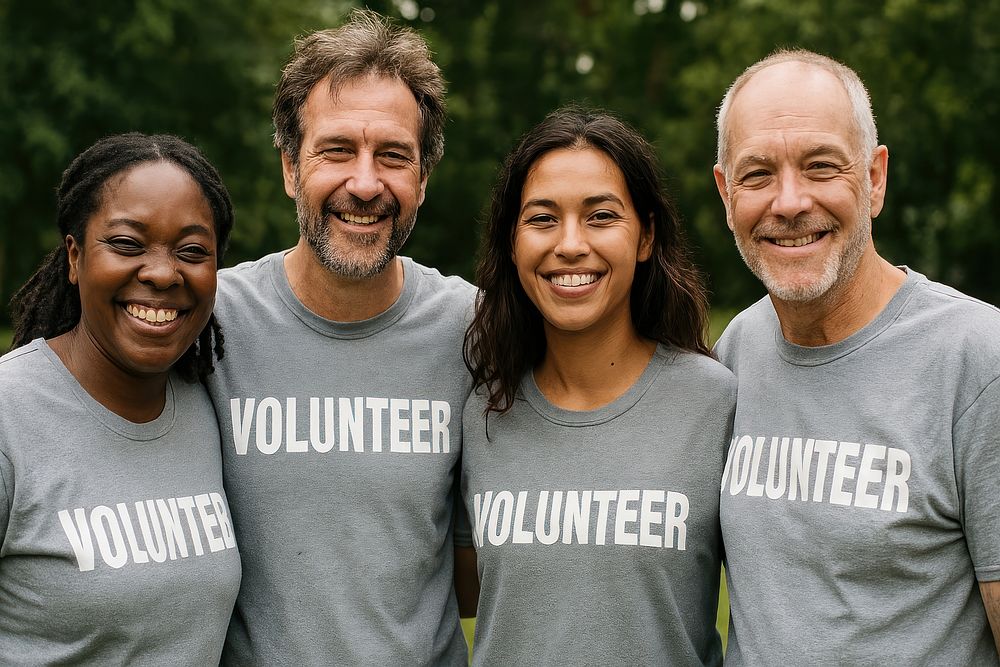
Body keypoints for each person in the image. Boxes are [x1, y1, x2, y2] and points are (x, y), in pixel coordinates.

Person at [712, 49, 1000, 664]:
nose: (788, 203)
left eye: (821, 167)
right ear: (725, 192)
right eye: (758, 174)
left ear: (874, 179)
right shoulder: (735, 352)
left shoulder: (979, 361)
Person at [204, 9, 474, 665]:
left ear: (423, 179)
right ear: (291, 167)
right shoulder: (209, 321)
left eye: (392, 156)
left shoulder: (476, 329)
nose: (364, 183)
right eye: (336, 150)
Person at [461, 106, 736, 665]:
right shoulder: (479, 410)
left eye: (601, 216)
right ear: (511, 243)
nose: (569, 244)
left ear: (645, 236)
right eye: (541, 219)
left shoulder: (717, 402)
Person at [0, 133, 240, 663]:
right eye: (128, 244)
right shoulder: (9, 415)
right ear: (74, 256)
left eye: (193, 251)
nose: (160, 272)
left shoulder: (207, 408)